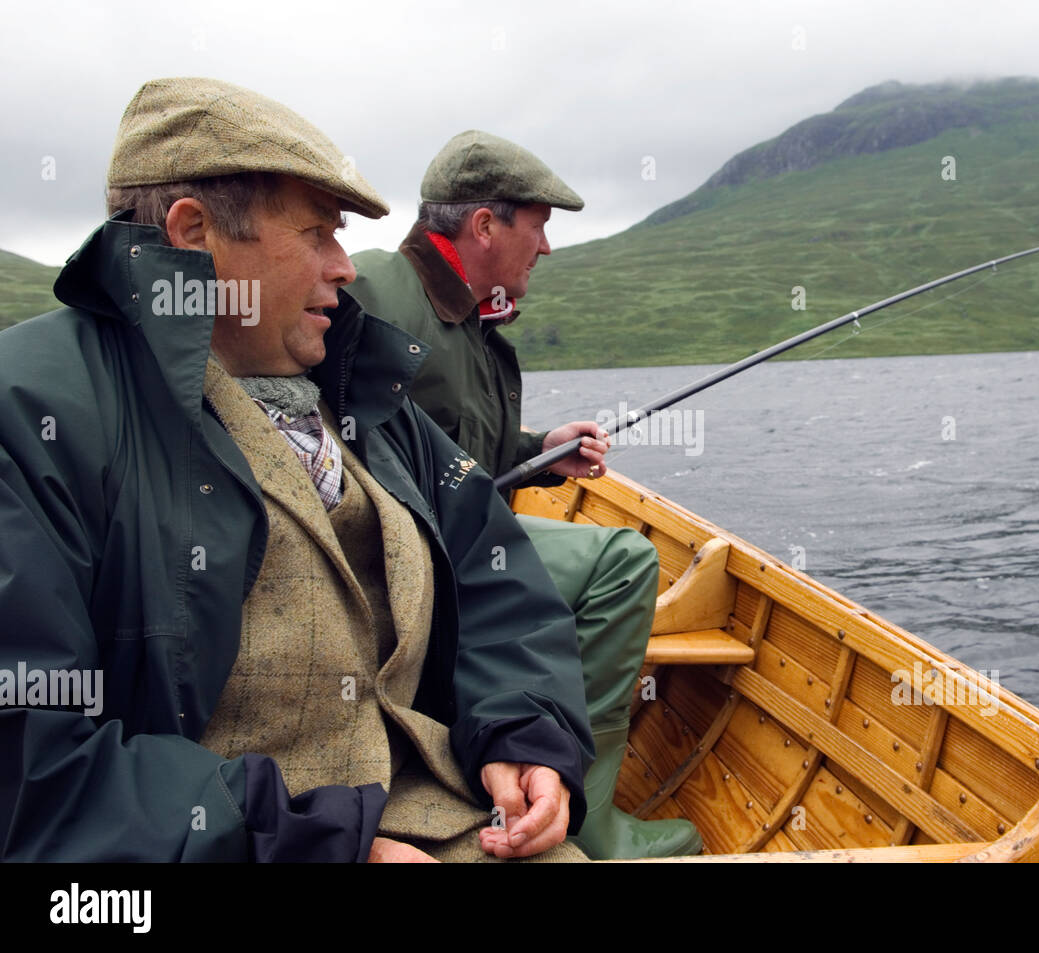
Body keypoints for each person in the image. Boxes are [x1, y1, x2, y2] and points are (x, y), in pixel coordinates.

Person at [0, 78, 594, 862]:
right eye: (318, 233)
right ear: (192, 235)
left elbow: (493, 572)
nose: (345, 267)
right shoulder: (33, 411)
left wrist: (524, 729)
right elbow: (34, 768)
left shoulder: (364, 397)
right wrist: (321, 847)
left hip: (447, 816)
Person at [346, 131, 701, 858]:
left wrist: (538, 453)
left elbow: (449, 448)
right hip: (418, 550)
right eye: (538, 224)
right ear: (485, 225)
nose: (546, 247)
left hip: (461, 533)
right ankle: (590, 813)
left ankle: (536, 746)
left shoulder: (473, 319)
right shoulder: (377, 292)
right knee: (624, 563)